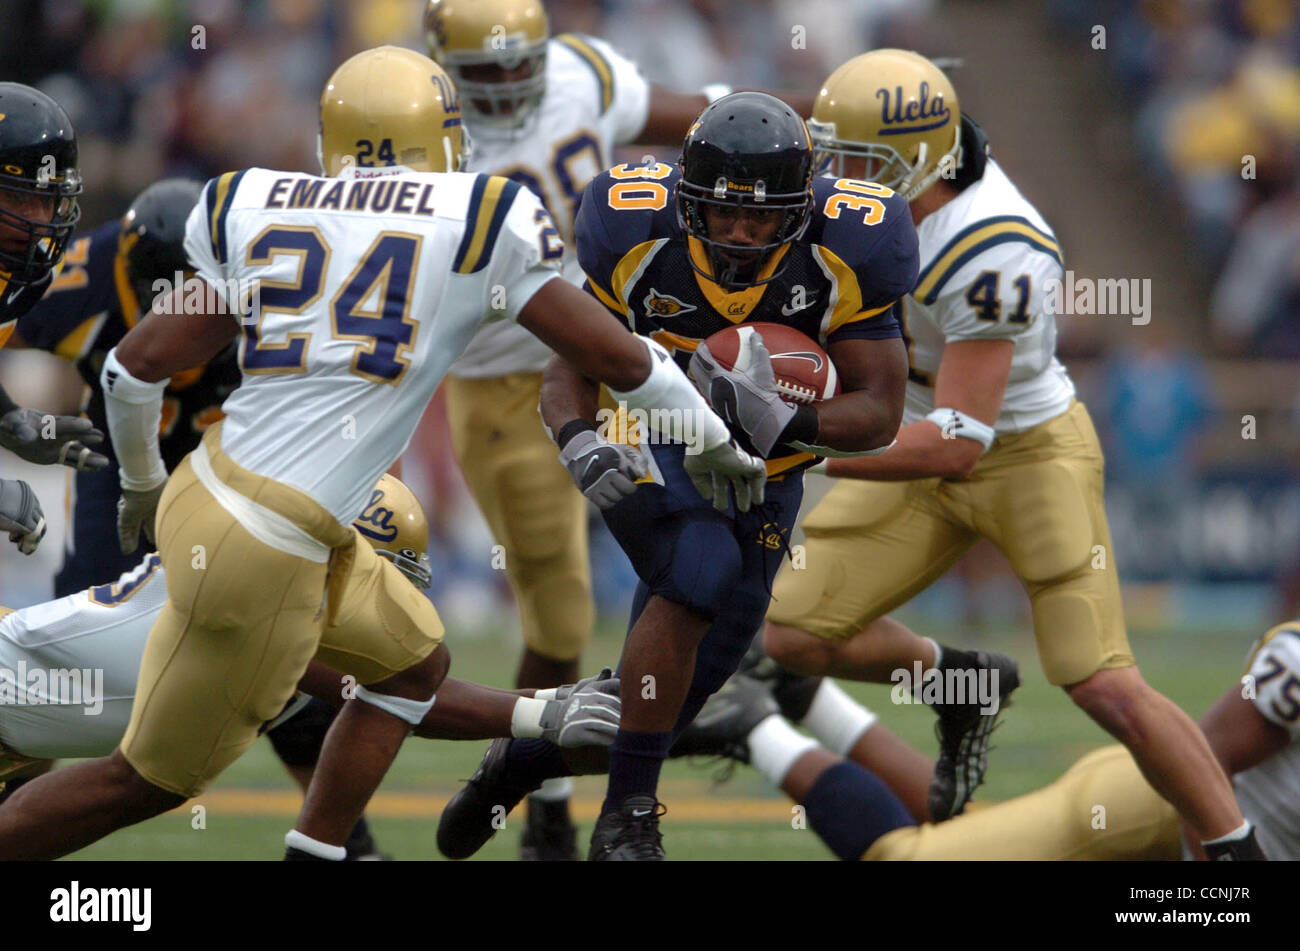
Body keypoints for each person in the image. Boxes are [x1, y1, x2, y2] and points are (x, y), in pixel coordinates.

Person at [0, 46, 764, 861]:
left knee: (410, 662)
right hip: (265, 540)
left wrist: (144, 487)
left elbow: (127, 369)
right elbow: (624, 361)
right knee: (149, 778)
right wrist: (717, 443)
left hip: (217, 487)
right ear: (437, 133)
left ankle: (326, 850)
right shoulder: (478, 216)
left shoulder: (257, 199)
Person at [759, 49, 1261, 857]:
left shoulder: (994, 243)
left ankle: (1234, 846)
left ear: (919, 158)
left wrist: (797, 450)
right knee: (791, 632)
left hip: (1020, 453)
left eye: (861, 162)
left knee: (1101, 681)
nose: (839, 177)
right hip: (913, 425)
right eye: (834, 154)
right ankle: (965, 678)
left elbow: (958, 446)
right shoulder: (881, 187)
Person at [437, 90, 918, 860]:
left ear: (797, 210)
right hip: (647, 431)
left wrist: (788, 422)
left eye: (759, 218)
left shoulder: (852, 245)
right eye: (721, 212)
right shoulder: (634, 227)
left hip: (768, 471)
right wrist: (579, 441)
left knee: (677, 695)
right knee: (698, 567)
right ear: (687, 195)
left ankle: (525, 757)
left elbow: (880, 410)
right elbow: (570, 369)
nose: (736, 232)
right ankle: (627, 820)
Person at [422, 0, 813, 858]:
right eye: (481, 72)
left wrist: (824, 114)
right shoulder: (424, 132)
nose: (503, 88)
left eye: (516, 66)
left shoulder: (584, 75)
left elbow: (716, 123)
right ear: (444, 67)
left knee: (712, 611)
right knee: (567, 613)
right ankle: (563, 813)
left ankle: (527, 767)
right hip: (506, 377)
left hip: (641, 367)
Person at [0, 474, 623, 815]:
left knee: (148, 786)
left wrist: (550, 703)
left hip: (18, 714)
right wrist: (546, 711)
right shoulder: (275, 605)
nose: (391, 606)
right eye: (386, 579)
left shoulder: (264, 580)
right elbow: (407, 695)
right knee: (145, 787)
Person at [676, 616, 1300, 860]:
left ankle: (804, 694)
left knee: (972, 831)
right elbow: (1205, 770)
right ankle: (750, 724)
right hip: (1159, 818)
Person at [0, 82, 108, 556]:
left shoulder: (20, 271)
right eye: (20, 198)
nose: (39, 217)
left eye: (49, 198)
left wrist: (8, 420)